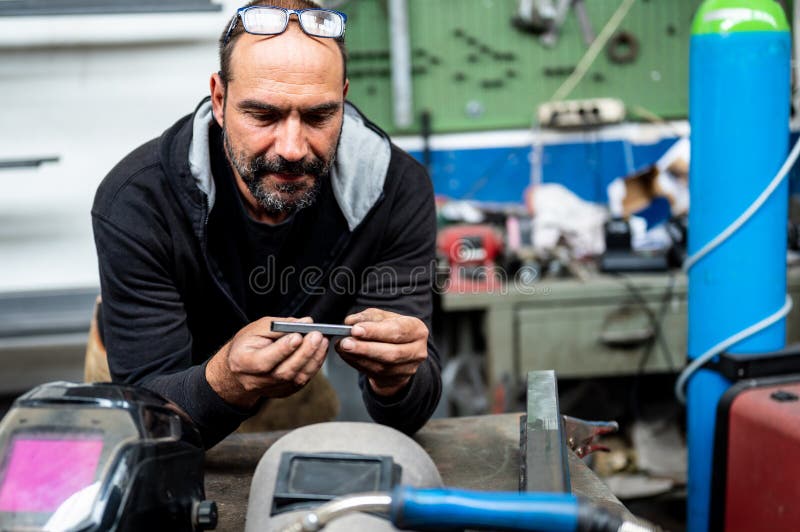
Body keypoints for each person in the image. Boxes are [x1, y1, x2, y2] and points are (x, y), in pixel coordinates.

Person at [91, 0, 441, 447]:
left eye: (318, 116)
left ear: (343, 99)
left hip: (292, 382)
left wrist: (397, 378)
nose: (292, 148)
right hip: (163, 385)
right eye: (263, 115)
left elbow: (411, 410)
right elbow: (148, 415)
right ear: (220, 100)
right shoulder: (138, 202)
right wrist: (227, 379)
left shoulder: (393, 190)